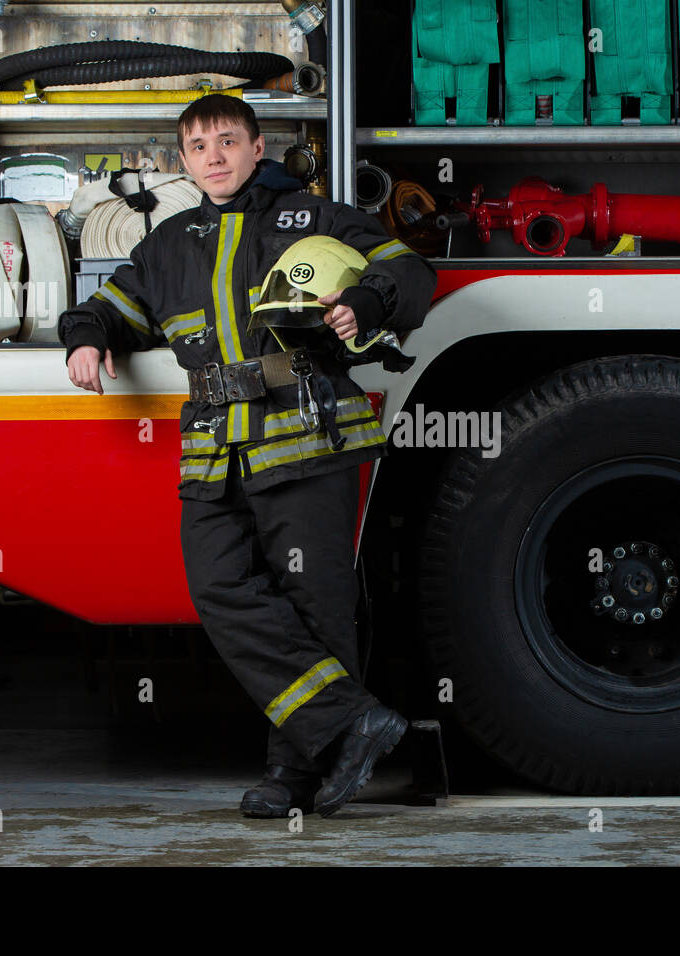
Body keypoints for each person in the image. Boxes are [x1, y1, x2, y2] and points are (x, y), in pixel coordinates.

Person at [57, 94, 438, 818]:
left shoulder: (315, 218)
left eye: (229, 141)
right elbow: (108, 307)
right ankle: (350, 724)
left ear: (258, 147)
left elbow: (410, 271)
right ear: (184, 161)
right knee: (221, 590)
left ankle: (295, 776)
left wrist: (367, 299)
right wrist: (83, 335)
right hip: (213, 453)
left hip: (304, 439)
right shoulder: (168, 247)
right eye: (199, 147)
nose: (216, 157)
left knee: (314, 606)